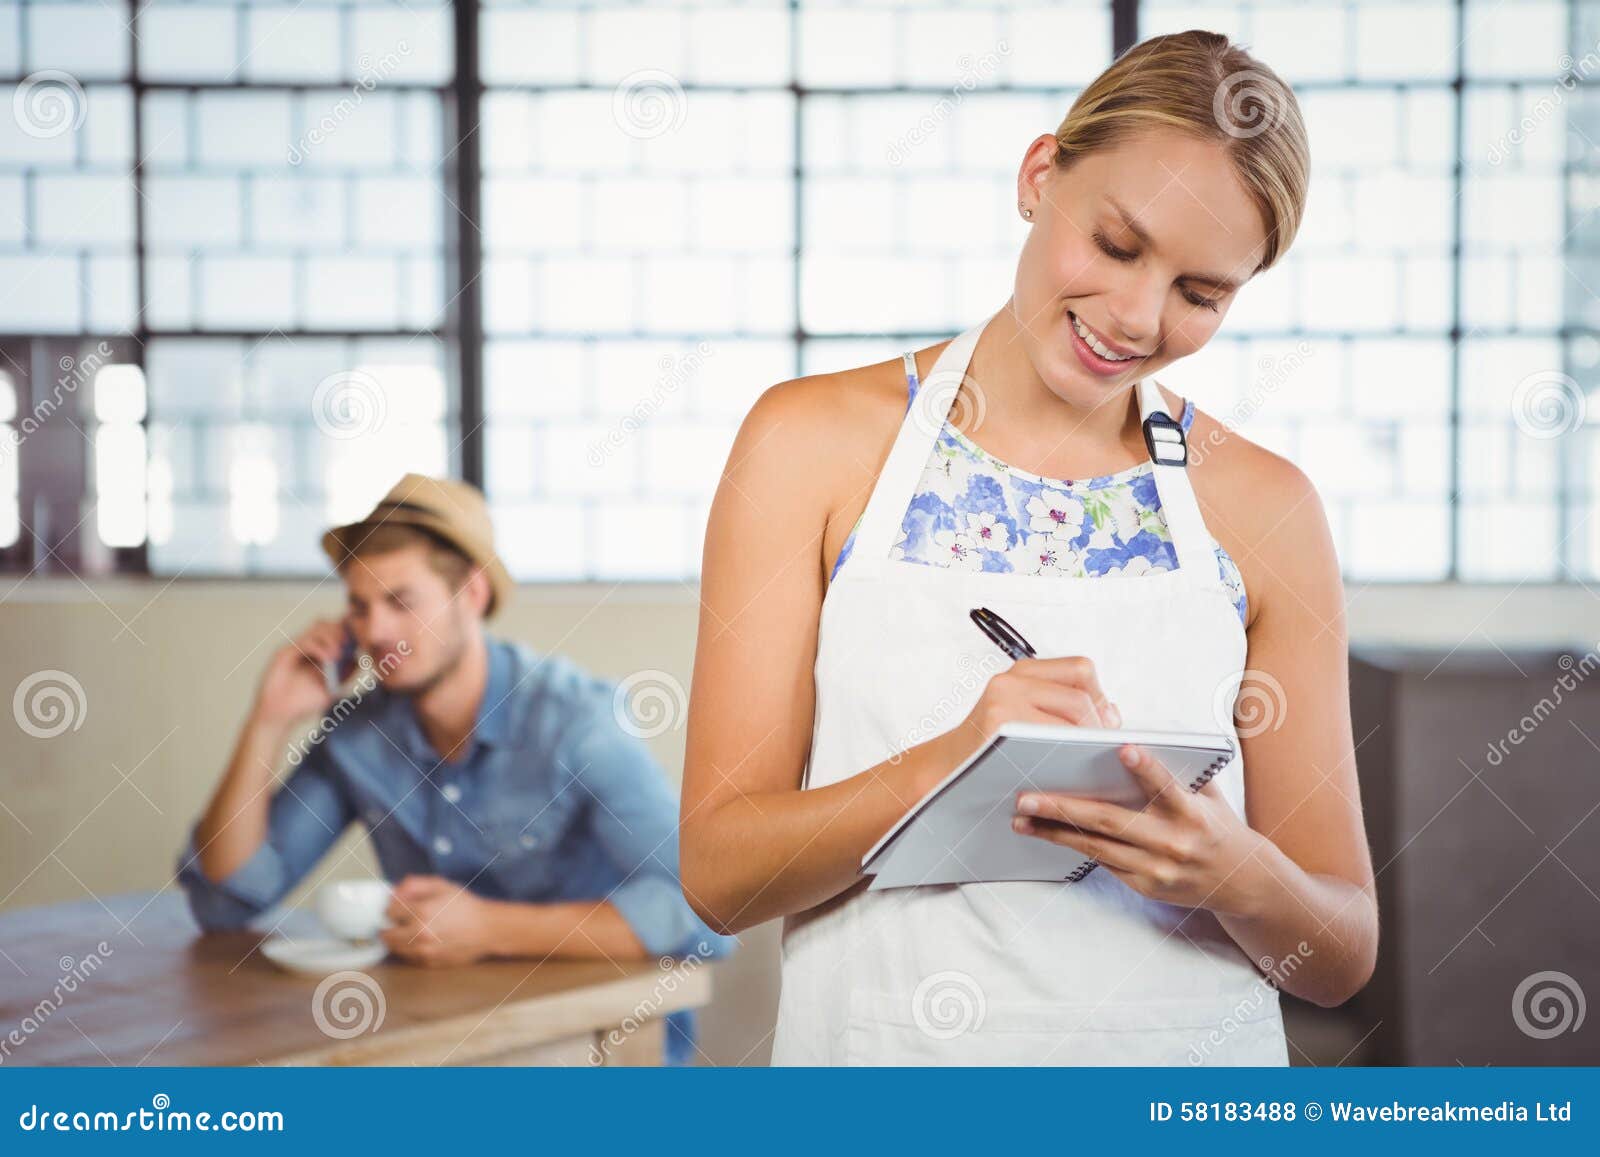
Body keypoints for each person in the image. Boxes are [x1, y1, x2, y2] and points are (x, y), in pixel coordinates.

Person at [681, 30, 1376, 1065]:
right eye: (1116, 244)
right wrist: (951, 762)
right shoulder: (806, 445)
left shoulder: (1268, 506)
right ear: (1040, 174)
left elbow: (1340, 949)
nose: (1135, 317)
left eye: (1200, 293)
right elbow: (720, 875)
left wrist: (1231, 868)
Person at [176, 473, 733, 1065]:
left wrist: (491, 928)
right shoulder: (358, 735)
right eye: (360, 607)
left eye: (401, 601)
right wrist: (269, 721)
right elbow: (227, 902)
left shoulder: (576, 723)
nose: (376, 631)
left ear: (471, 594)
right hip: (443, 1046)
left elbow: (709, 914)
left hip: (594, 1049)